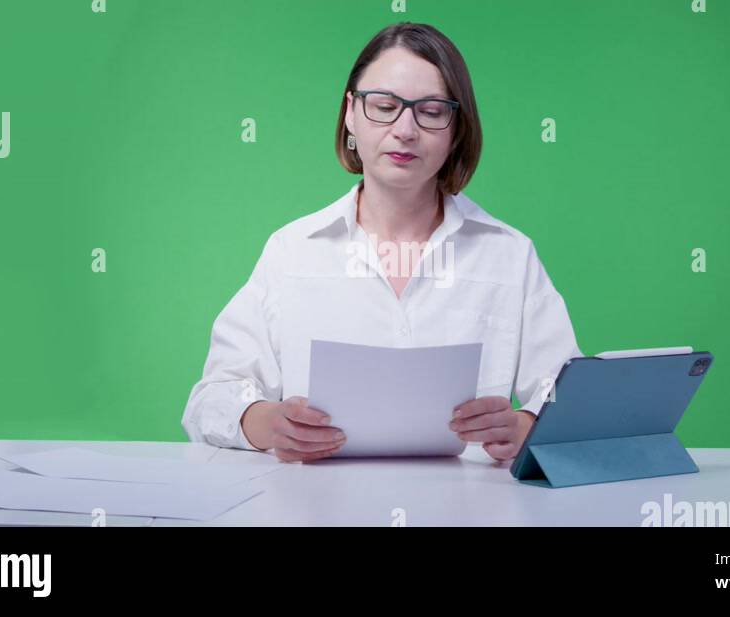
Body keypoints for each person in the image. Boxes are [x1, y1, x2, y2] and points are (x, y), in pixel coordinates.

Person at [182, 22, 583, 463]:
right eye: (385, 105)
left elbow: (571, 403)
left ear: (456, 130)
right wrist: (264, 422)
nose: (405, 129)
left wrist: (527, 426)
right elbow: (210, 401)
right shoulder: (291, 251)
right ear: (350, 113)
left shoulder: (509, 255)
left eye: (431, 111)